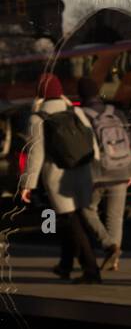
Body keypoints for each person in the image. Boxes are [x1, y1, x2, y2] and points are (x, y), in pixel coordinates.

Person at [17, 73, 103, 283]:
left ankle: (91, 271)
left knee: (72, 222)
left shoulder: (38, 118)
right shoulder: (75, 111)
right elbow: (92, 142)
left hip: (56, 176)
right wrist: (95, 170)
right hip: (82, 173)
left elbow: (36, 154)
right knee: (71, 221)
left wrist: (28, 184)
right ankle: (65, 265)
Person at [75, 77, 131, 272]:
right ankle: (114, 260)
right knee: (115, 216)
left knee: (87, 208)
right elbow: (130, 140)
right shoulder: (115, 112)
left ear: (81, 94)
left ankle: (109, 245)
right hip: (121, 168)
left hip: (98, 172)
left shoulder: (81, 114)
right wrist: (130, 169)